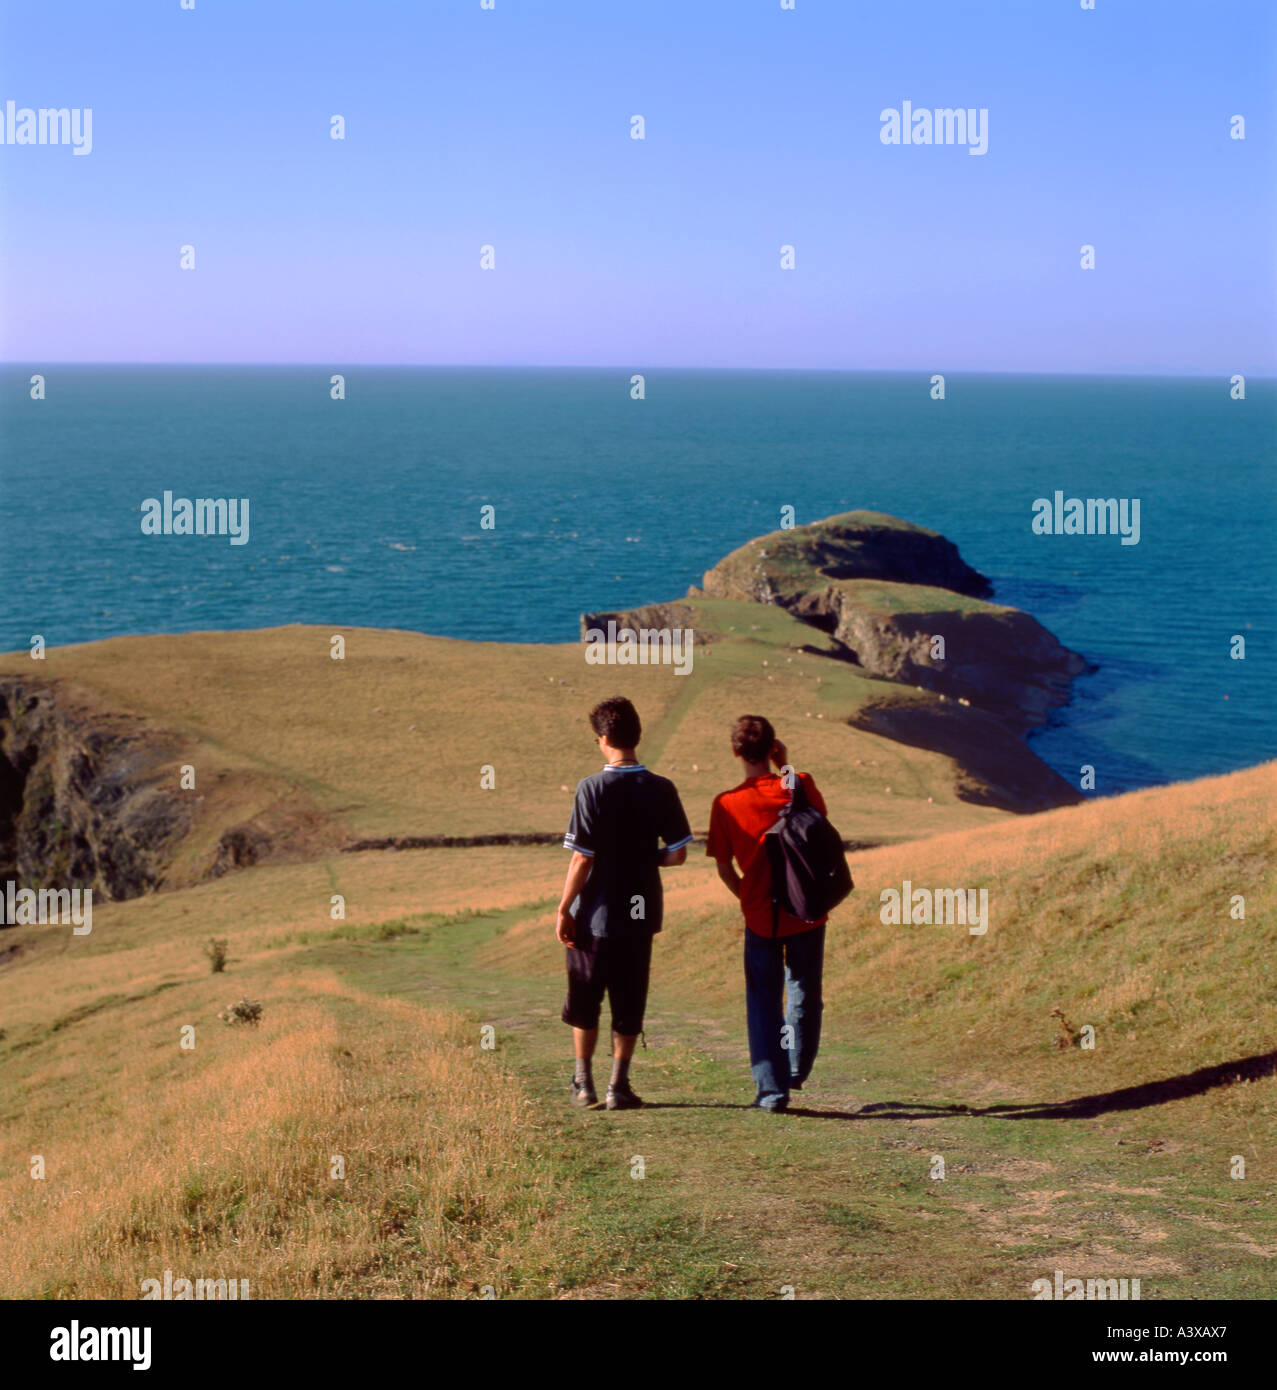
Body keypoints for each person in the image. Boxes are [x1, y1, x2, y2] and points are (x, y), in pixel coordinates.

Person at [557, 696, 693, 1110]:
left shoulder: (591, 788)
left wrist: (564, 907)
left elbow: (583, 857)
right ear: (637, 735)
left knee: (585, 1000)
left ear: (602, 740)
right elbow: (678, 853)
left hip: (595, 915)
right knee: (629, 999)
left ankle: (584, 1084)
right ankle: (620, 1086)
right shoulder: (661, 788)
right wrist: (643, 857)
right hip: (640, 914)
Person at [706, 715, 829, 1113]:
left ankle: (773, 1092)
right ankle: (795, 1068)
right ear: (773, 748)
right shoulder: (799, 784)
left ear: (735, 751)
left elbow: (724, 866)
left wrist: (747, 896)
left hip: (760, 916)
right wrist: (786, 766)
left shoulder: (726, 803)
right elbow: (822, 824)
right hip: (807, 909)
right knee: (804, 990)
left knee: (763, 1001)